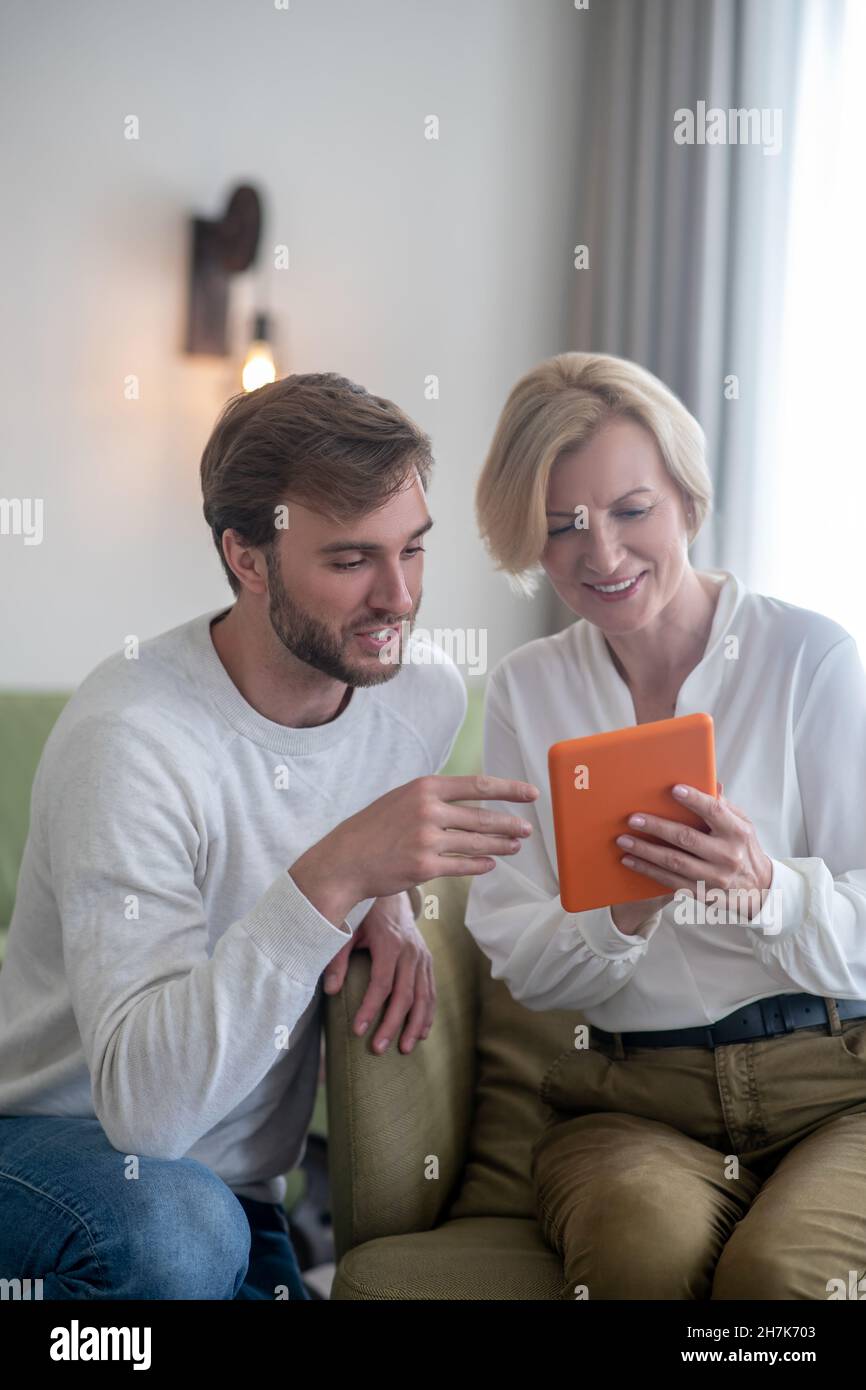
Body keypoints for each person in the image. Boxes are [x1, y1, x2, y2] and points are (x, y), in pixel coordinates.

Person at [0, 372, 537, 1299]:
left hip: (240, 1189)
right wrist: (334, 878)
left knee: (209, 1231)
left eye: (413, 550)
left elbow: (350, 830)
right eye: (350, 561)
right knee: (177, 1234)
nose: (398, 596)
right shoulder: (132, 743)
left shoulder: (420, 696)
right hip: (57, 1146)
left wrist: (390, 897)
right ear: (247, 557)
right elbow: (146, 1116)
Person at [465, 350, 866, 1300]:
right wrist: (621, 912)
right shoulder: (530, 690)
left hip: (840, 1083)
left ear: (688, 500)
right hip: (634, 1103)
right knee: (642, 1261)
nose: (600, 555)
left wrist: (770, 891)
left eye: (631, 510)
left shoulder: (809, 657)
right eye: (562, 527)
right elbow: (521, 952)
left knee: (779, 1281)